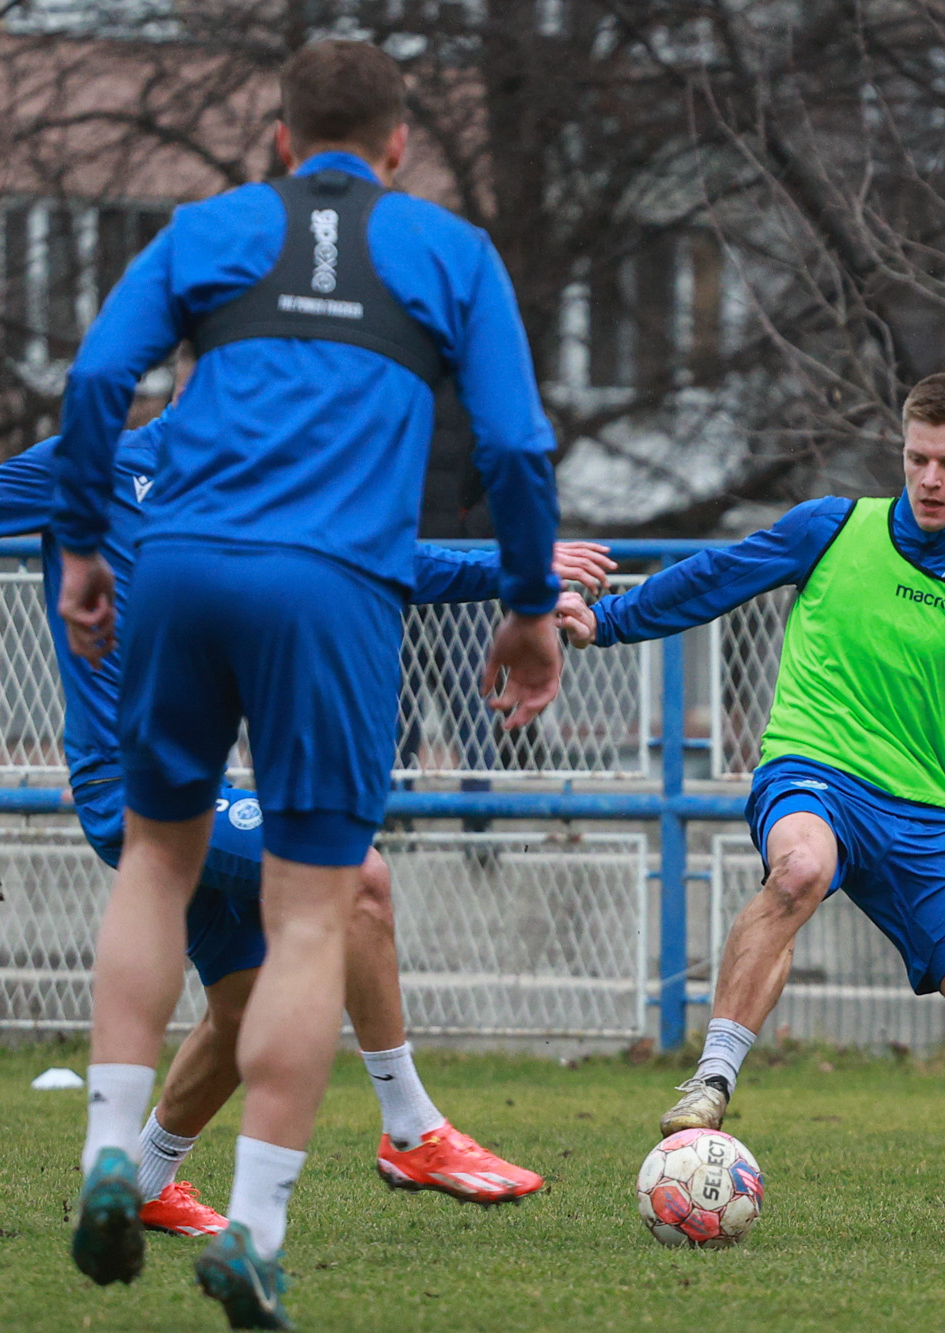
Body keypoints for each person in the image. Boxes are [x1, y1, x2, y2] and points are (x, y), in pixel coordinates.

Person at [0, 418, 614, 1229]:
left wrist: (522, 577)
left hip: (200, 780)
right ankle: (411, 1126)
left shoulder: (257, 479)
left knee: (242, 1004)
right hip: (133, 784)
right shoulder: (90, 466)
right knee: (359, 878)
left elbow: (376, 561)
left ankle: (146, 1181)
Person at [47, 41, 563, 1328]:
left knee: (154, 862)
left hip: (181, 565)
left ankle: (111, 1150)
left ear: (282, 139)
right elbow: (514, 443)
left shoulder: (207, 229)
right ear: (399, 146)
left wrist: (85, 545)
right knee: (310, 913)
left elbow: (97, 380)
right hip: (330, 587)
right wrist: (525, 606)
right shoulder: (449, 251)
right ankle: (255, 1231)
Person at [556, 372, 945, 1247]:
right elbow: (714, 579)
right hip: (816, 771)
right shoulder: (831, 528)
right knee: (799, 867)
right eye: (917, 459)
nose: (930, 479)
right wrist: (607, 620)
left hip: (928, 818)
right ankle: (712, 1080)